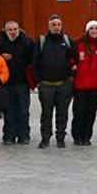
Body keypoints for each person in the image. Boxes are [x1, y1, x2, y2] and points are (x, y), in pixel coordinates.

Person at [34, 14, 76, 148]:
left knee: (62, 113)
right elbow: (34, 62)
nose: (56, 27)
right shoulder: (42, 41)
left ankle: (60, 138)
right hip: (46, 85)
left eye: (59, 25)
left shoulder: (67, 40)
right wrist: (38, 80)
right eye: (54, 25)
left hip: (64, 84)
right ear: (49, 26)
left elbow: (74, 59)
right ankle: (45, 138)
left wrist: (71, 75)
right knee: (46, 113)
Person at [0, 20, 34, 145]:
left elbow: (32, 61)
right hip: (6, 83)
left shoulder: (27, 43)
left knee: (23, 110)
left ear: (19, 29)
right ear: (5, 31)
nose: (13, 32)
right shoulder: (0, 43)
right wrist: (1, 56)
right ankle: (9, 135)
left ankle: (24, 135)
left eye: (15, 29)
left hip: (22, 82)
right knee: (9, 111)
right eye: (10, 30)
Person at [71, 20, 97, 146]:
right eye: (92, 28)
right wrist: (72, 65)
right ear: (87, 31)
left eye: (96, 28)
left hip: (94, 85)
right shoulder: (78, 44)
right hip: (80, 84)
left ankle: (86, 136)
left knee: (91, 112)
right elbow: (69, 57)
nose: (94, 31)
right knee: (79, 111)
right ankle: (77, 136)